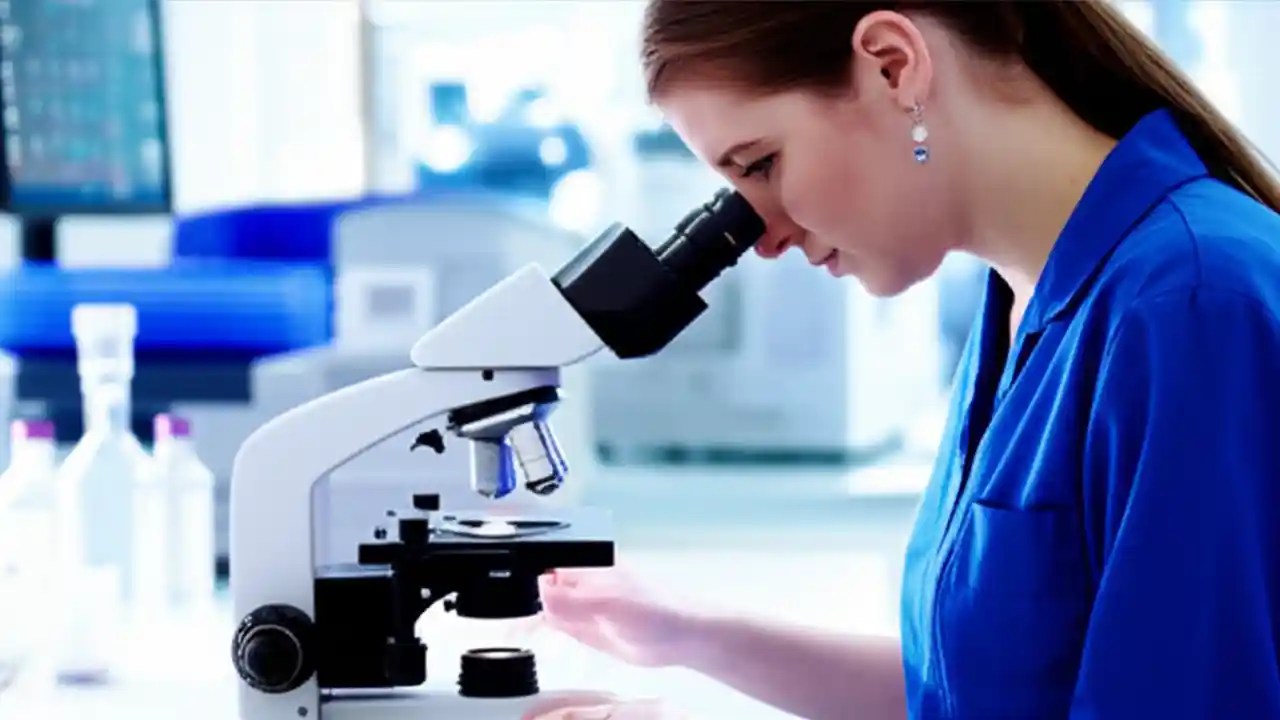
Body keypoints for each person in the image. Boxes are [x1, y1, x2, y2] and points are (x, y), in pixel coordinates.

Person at [527, 1, 1280, 718]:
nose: (759, 236)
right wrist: (685, 632)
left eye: (759, 165)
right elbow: (976, 695)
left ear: (892, 66)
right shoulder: (1026, 297)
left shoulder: (1191, 308)